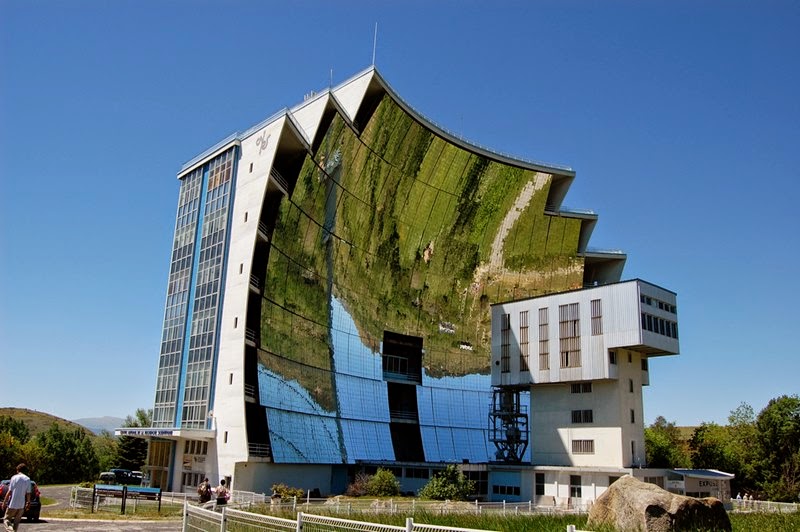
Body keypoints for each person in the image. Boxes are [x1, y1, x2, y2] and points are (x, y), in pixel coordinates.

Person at [2, 463, 31, 532]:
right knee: (16, 523)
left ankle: (10, 530)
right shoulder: (27, 479)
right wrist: (28, 502)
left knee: (6, 520)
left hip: (12, 503)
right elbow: (28, 493)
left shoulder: (14, 477)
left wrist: (4, 502)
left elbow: (9, 491)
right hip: (21, 505)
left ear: (18, 470)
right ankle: (13, 530)